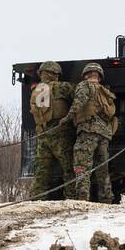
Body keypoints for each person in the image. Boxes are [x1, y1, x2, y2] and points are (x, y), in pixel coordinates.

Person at [68, 62, 118, 202]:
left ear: (85, 75)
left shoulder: (84, 86)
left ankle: (82, 197)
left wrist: (67, 118)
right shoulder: (105, 92)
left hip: (88, 131)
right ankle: (106, 198)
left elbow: (79, 103)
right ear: (99, 76)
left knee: (82, 165)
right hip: (104, 134)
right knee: (103, 168)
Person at [29, 61, 75, 199]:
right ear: (56, 74)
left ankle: (37, 200)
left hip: (42, 135)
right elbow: (81, 94)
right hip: (60, 134)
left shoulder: (36, 90)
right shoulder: (63, 87)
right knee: (69, 169)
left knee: (41, 173)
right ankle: (72, 199)